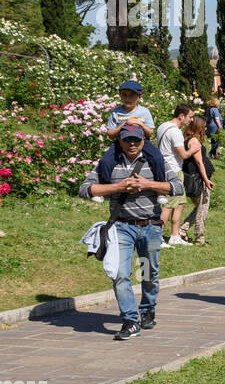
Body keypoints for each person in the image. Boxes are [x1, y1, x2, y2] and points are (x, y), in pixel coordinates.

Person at [79, 123, 184, 339]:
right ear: (120, 141)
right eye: (127, 140)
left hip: (150, 227)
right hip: (121, 227)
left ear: (144, 141)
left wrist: (147, 184)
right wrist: (118, 187)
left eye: (136, 139)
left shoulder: (154, 161)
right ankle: (130, 320)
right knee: (119, 273)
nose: (132, 143)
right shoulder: (109, 163)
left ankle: (147, 308)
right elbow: (85, 189)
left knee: (147, 271)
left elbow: (178, 187)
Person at [154, 104, 196, 245]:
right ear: (181, 116)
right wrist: (194, 149)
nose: (191, 120)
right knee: (168, 205)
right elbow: (183, 155)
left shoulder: (163, 126)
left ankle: (175, 236)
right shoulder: (175, 132)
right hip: (173, 170)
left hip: (165, 168)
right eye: (190, 117)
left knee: (181, 203)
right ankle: (157, 237)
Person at [178, 117, 215, 245]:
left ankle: (182, 229)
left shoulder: (185, 138)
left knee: (199, 207)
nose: (204, 129)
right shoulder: (193, 141)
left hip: (192, 178)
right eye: (203, 126)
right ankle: (199, 236)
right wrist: (206, 180)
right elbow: (199, 162)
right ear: (198, 127)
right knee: (202, 208)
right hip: (198, 179)